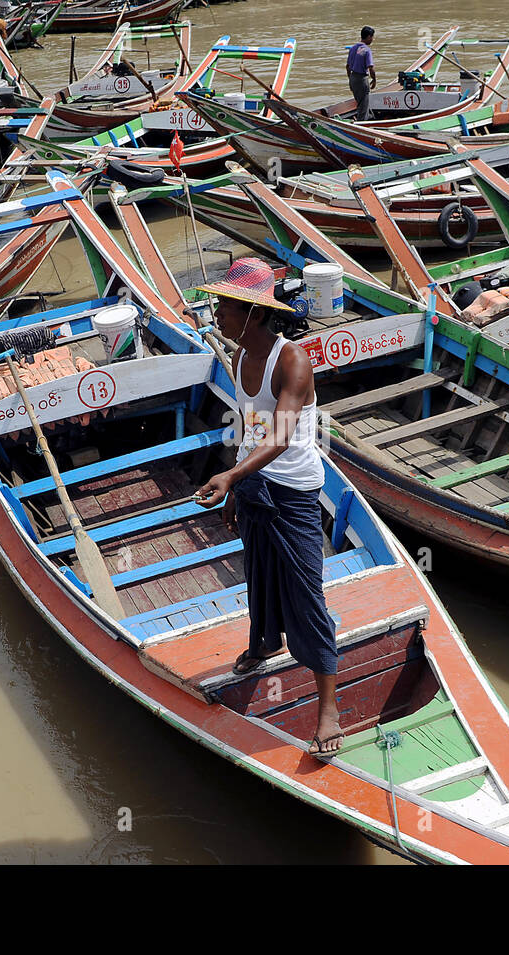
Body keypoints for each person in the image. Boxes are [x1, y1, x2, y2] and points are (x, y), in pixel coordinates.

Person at [195, 258, 343, 757]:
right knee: (258, 572)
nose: (217, 314)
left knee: (306, 590)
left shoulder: (292, 361)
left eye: (225, 307)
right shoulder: (238, 358)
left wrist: (231, 476)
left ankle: (328, 708)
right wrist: (239, 488)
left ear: (254, 314)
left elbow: (280, 434)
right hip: (256, 484)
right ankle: (264, 643)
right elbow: (251, 428)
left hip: (295, 491)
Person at [346, 26, 377, 122]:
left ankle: (370, 118)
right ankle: (362, 125)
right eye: (372, 37)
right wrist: (374, 80)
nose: (372, 39)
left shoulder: (353, 48)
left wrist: (350, 80)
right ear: (368, 37)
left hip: (353, 78)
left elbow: (347, 67)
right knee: (363, 105)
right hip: (361, 79)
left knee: (360, 102)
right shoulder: (367, 50)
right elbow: (371, 68)